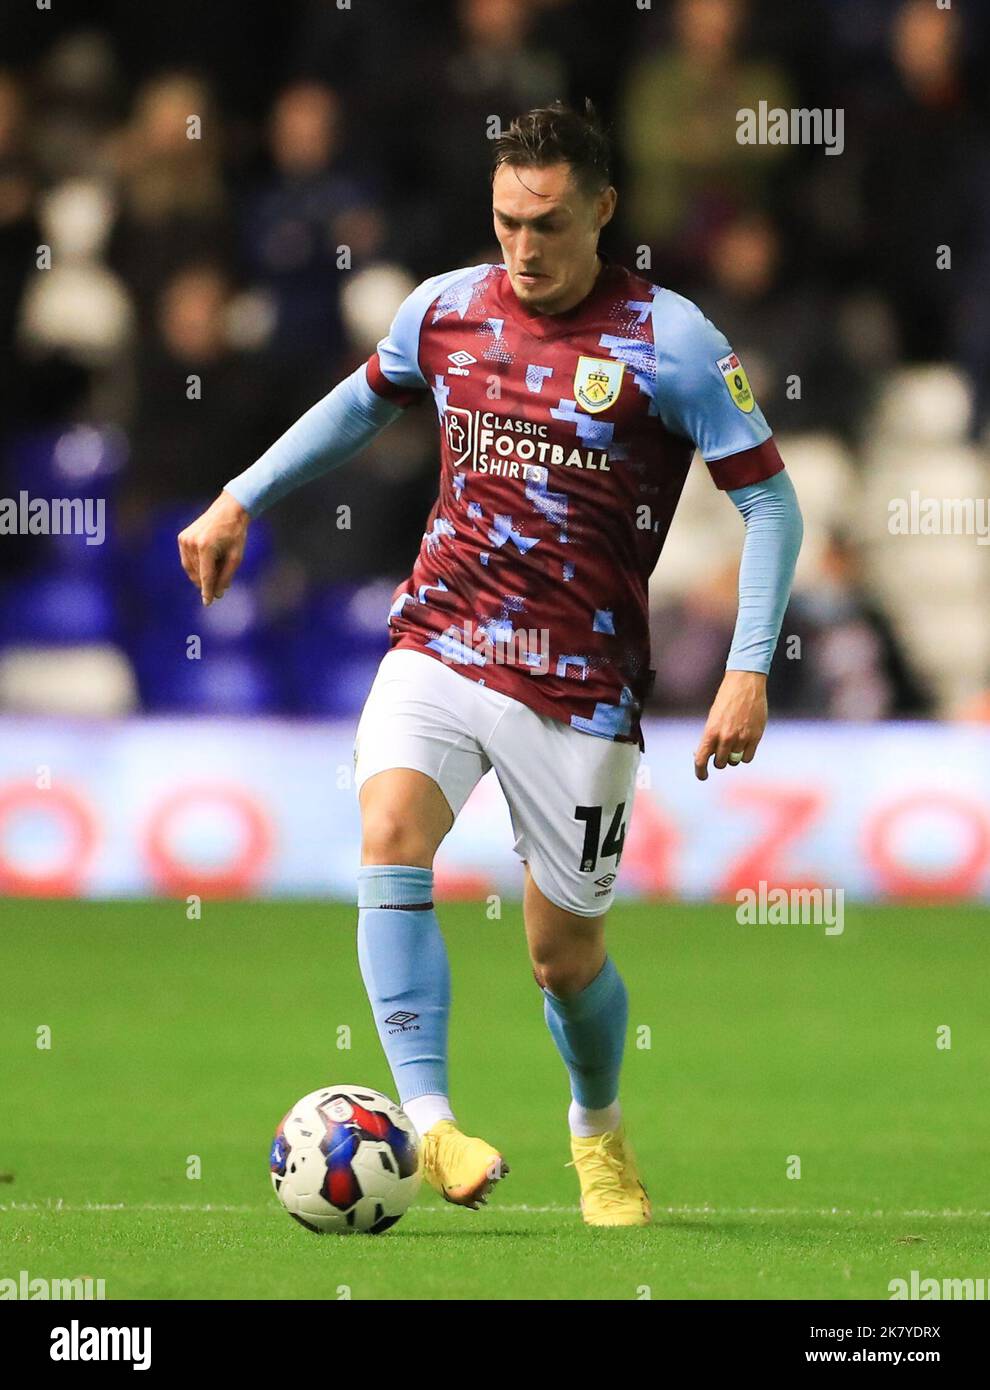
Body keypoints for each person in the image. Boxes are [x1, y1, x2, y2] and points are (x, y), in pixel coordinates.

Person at [177, 100, 803, 1227]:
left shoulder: (673, 341)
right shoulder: (447, 311)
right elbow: (357, 409)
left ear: (604, 211)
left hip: (580, 686)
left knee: (563, 961)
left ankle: (597, 1135)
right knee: (389, 838)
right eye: (507, 220)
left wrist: (749, 666)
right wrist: (238, 498)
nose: (522, 246)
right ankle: (431, 1125)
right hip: (443, 638)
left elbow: (769, 501)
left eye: (548, 223)